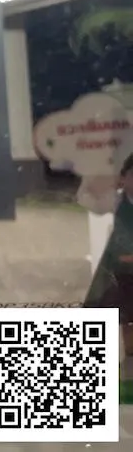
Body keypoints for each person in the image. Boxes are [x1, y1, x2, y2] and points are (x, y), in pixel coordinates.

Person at [83, 152, 133, 359]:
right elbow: (89, 199)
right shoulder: (117, 200)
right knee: (125, 312)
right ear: (123, 178)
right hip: (120, 267)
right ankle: (129, 352)